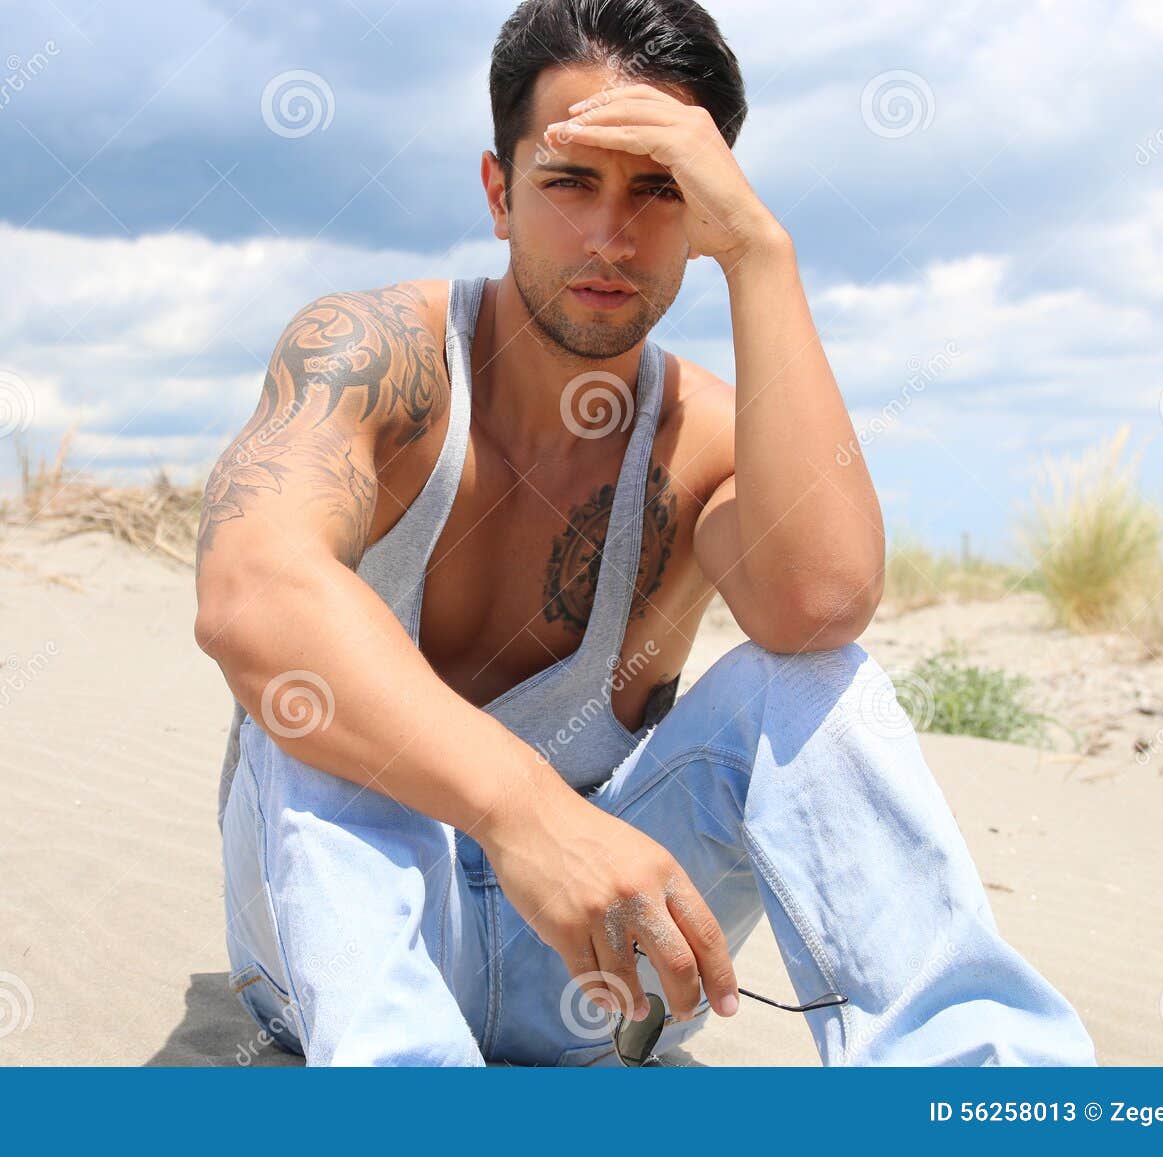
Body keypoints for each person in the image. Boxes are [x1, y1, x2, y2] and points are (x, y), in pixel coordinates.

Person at [192, 0, 1096, 1067]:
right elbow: (250, 591)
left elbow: (819, 605)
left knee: (812, 682)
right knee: (313, 681)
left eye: (659, 191)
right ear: (498, 192)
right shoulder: (380, 357)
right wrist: (524, 811)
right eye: (569, 182)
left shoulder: (702, 438)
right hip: (350, 969)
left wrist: (761, 251)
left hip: (590, 980)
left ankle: (982, 1095)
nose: (609, 238)